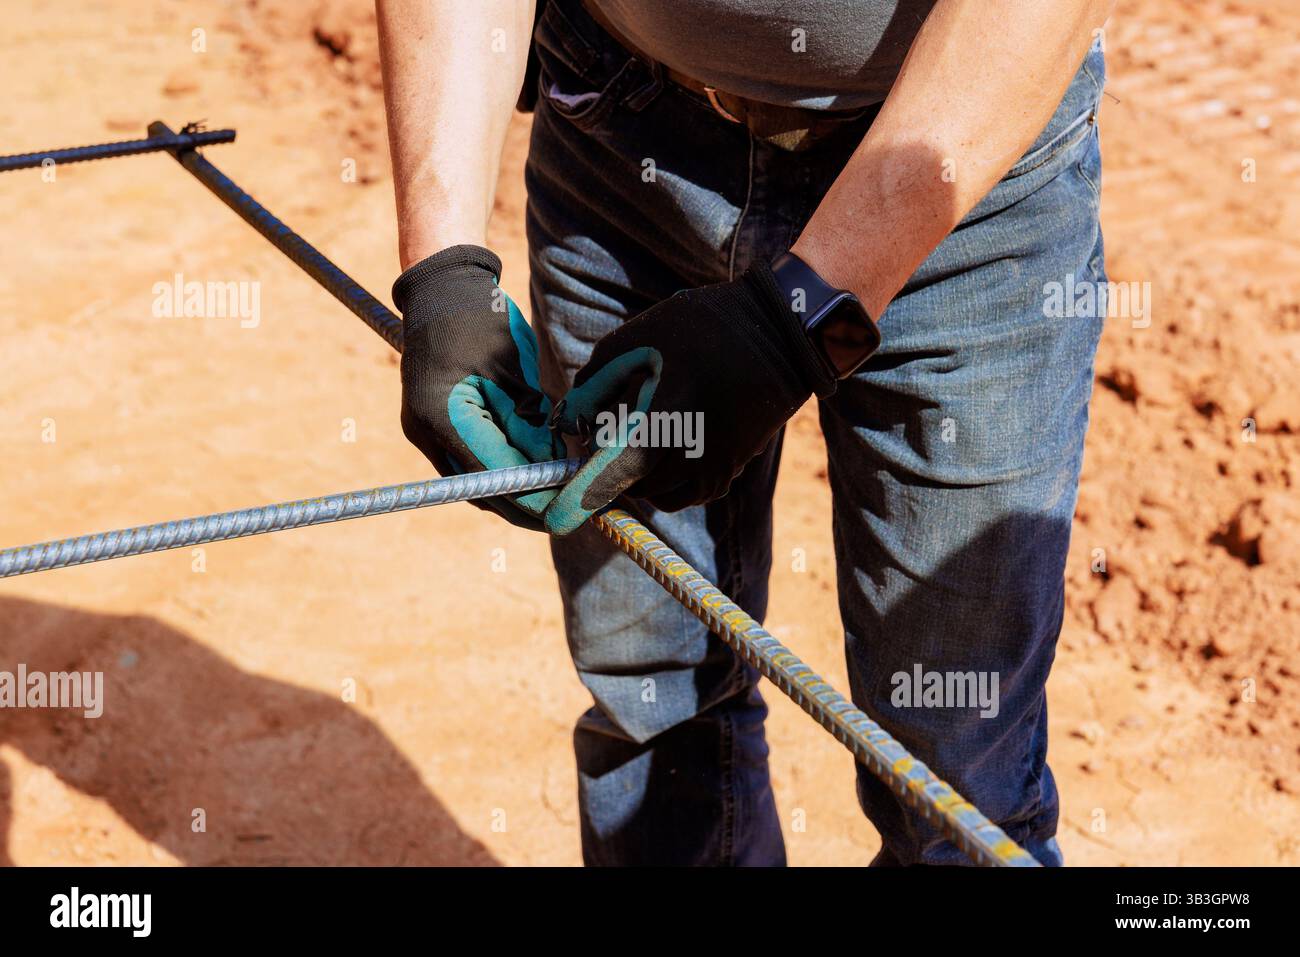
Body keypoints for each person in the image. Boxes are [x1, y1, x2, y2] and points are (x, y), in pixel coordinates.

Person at [376, 0, 1113, 866]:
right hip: (620, 149)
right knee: (653, 697)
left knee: (957, 780)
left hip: (969, 170)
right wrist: (444, 272)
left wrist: (793, 324)